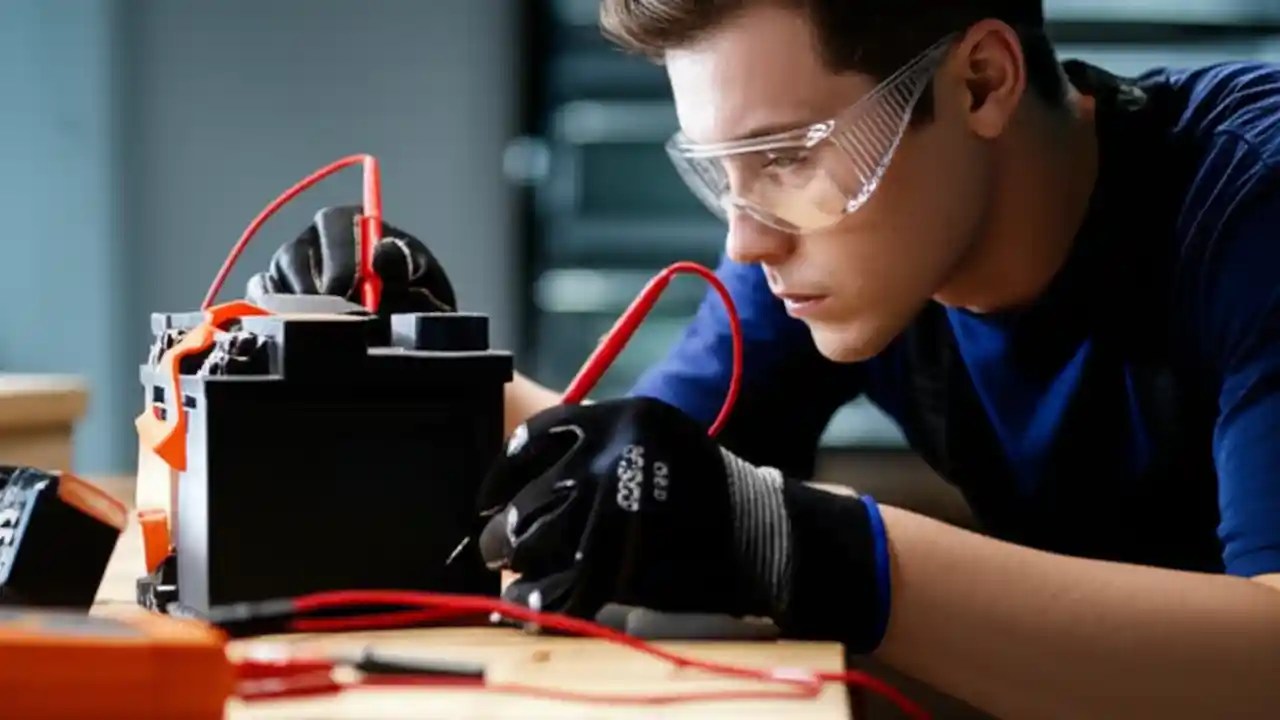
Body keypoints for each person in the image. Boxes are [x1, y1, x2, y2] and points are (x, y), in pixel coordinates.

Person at [248, 1, 1280, 717]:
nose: (745, 241)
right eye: (723, 172)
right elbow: (630, 493)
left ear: (979, 82)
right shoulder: (833, 246)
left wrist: (810, 548)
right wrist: (416, 378)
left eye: (785, 156)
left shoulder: (1251, 208)